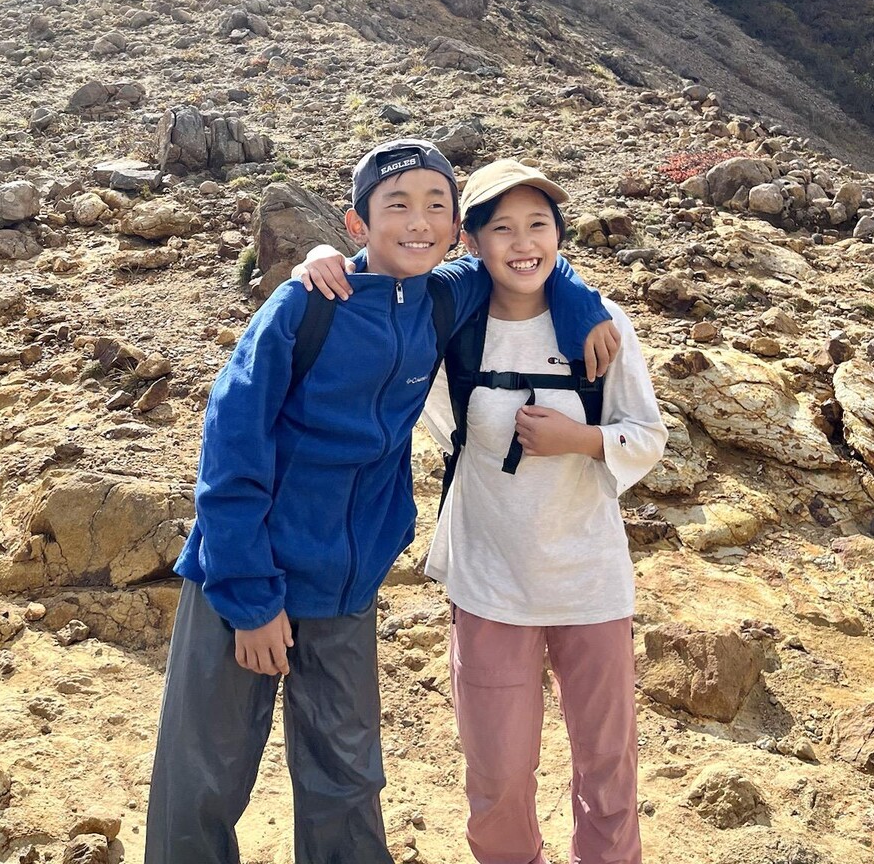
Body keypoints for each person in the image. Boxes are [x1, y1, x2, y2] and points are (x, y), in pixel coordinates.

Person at [145, 140, 619, 864]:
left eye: (436, 206)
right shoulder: (307, 305)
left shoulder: (443, 297)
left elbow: (524, 256)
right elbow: (231, 449)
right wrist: (249, 598)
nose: (418, 221)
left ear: (456, 229)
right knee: (204, 777)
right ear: (357, 223)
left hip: (345, 585)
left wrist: (583, 305)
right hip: (243, 576)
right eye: (397, 205)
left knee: (346, 778)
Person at [298, 158, 667, 864]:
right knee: (497, 775)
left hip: (590, 582)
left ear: (559, 235)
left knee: (608, 771)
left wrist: (581, 440)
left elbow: (646, 436)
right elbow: (381, 302)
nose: (523, 244)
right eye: (502, 229)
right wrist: (321, 256)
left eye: (539, 225)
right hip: (490, 583)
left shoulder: (602, 324)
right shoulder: (451, 324)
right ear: (471, 241)